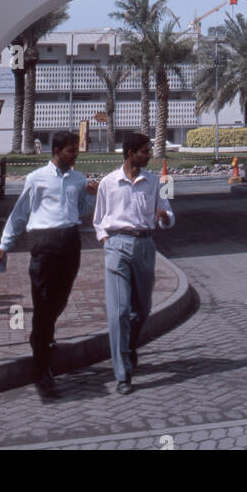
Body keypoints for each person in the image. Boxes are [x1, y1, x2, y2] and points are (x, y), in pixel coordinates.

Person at [0, 130, 98, 392]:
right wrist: (4, 245)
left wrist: (91, 194)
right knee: (42, 299)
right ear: (57, 151)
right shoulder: (36, 179)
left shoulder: (77, 178)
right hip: (44, 244)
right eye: (70, 151)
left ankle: (41, 336)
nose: (75, 155)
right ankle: (41, 366)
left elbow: (82, 210)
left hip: (70, 241)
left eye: (76, 150)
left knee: (60, 299)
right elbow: (20, 214)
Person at [93, 132, 174, 395]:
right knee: (118, 312)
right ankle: (123, 374)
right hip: (117, 247)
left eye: (148, 150)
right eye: (144, 151)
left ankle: (127, 346)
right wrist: (105, 239)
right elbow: (98, 219)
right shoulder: (108, 183)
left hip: (145, 246)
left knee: (142, 309)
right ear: (130, 153)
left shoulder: (155, 182)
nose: (149, 155)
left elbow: (169, 214)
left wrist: (164, 217)